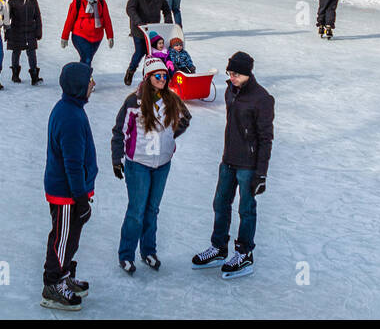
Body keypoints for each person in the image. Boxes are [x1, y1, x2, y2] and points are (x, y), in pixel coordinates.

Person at [191, 51, 274, 279]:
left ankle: (245, 253)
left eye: (235, 73)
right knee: (220, 203)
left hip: (248, 165)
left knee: (246, 210)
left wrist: (262, 174)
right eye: (229, 72)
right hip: (228, 160)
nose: (231, 76)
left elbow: (266, 139)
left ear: (247, 73)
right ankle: (218, 247)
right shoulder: (231, 90)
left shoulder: (262, 99)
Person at [111, 56, 192, 274]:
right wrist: (117, 159)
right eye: (158, 76)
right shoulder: (134, 102)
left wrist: (169, 138)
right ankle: (126, 254)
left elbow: (186, 118)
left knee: (152, 210)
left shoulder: (172, 98)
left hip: (163, 164)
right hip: (138, 164)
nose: (163, 79)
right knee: (136, 211)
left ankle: (148, 251)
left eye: (165, 76)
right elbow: (119, 131)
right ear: (148, 78)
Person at [42, 62, 98, 310]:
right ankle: (53, 285)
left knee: (70, 237)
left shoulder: (71, 108)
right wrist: (81, 198)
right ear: (78, 87)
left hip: (72, 191)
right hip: (67, 193)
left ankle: (64, 276)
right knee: (63, 239)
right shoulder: (71, 117)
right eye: (89, 81)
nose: (93, 85)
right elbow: (72, 164)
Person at [124, 0, 173, 86]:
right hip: (139, 30)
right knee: (140, 52)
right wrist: (138, 22)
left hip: (153, 30)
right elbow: (130, 9)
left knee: (151, 54)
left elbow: (166, 9)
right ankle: (131, 71)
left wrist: (168, 21)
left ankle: (147, 77)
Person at [61, 0, 115, 66]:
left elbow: (107, 20)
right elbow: (69, 20)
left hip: (96, 38)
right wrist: (64, 37)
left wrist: (110, 36)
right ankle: (86, 79)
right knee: (87, 59)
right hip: (80, 36)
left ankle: (83, 77)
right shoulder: (78, 1)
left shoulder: (101, 2)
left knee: (86, 60)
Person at [7, 0, 43, 84]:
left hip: (30, 31)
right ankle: (15, 75)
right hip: (16, 30)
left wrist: (39, 31)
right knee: (16, 52)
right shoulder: (12, 0)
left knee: (32, 53)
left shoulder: (32, 0)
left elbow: (37, 16)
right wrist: (7, 31)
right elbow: (6, 17)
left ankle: (34, 76)